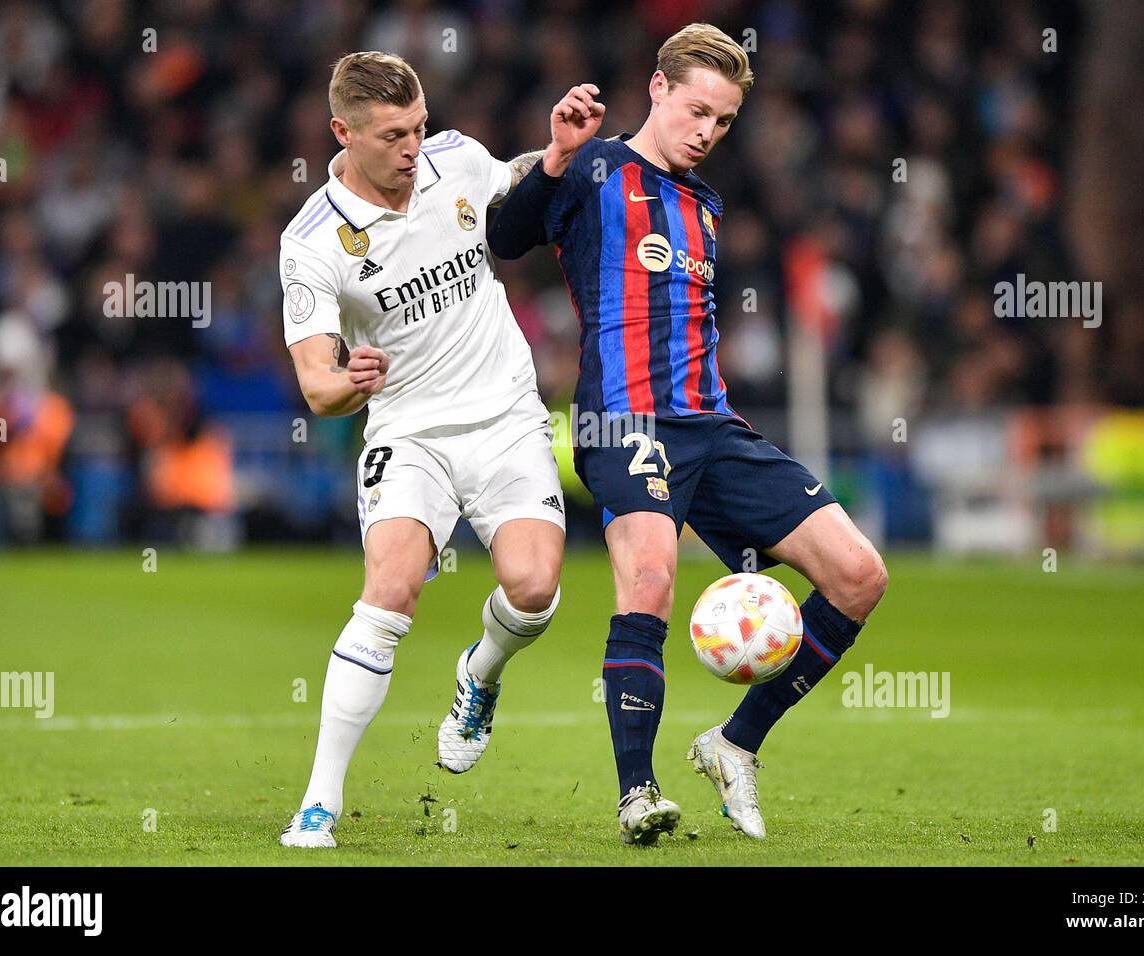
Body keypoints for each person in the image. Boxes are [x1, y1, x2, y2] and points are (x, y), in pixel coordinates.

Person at [488, 23, 888, 845]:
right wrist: (556, 154)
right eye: (698, 110)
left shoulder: (704, 204)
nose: (707, 131)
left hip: (713, 424)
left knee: (858, 575)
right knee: (652, 582)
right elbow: (505, 238)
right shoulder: (594, 168)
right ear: (659, 89)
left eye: (725, 120)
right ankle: (638, 792)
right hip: (624, 419)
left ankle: (735, 742)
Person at [277, 51, 587, 848]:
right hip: (409, 432)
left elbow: (511, 182)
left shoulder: (452, 158)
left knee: (534, 588)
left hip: (508, 416)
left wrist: (553, 153)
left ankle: (478, 676)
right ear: (342, 132)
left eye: (419, 126)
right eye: (392, 135)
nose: (414, 147)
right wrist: (354, 380)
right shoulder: (313, 241)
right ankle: (319, 802)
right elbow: (317, 384)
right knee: (389, 594)